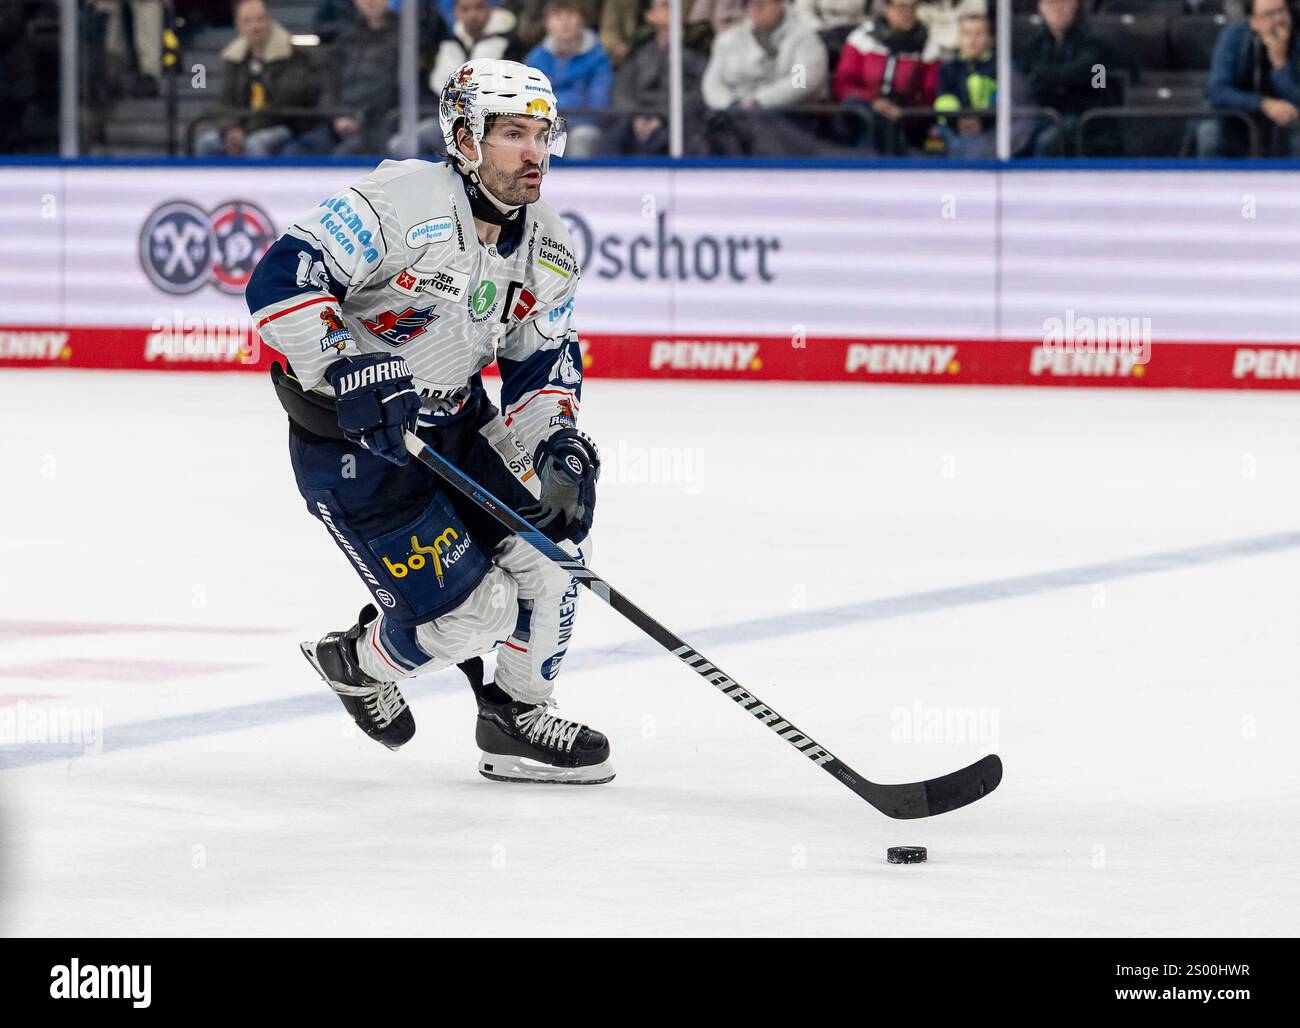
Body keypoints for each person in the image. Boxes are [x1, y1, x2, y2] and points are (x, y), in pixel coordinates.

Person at [246, 58, 610, 784]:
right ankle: (355, 662)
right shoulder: (403, 200)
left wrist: (560, 449)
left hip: (456, 423)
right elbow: (280, 277)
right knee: (475, 616)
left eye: (542, 134)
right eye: (512, 133)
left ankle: (515, 716)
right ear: (465, 137)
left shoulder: (551, 243)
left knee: (555, 552)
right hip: (354, 447)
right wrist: (346, 360)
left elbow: (538, 367)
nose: (534, 153)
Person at [394, 0, 526, 155]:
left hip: (490, 123)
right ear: (456, 12)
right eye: (466, 9)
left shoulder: (511, 44)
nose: (473, 14)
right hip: (446, 121)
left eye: (479, 7)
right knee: (400, 144)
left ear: (490, 9)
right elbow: (435, 85)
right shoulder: (446, 42)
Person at [701, 0, 828, 155]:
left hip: (786, 117)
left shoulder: (803, 39)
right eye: (749, 5)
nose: (754, 10)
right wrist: (731, 104)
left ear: (779, 4)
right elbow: (712, 82)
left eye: (761, 5)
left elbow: (799, 83)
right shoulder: (729, 40)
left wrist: (757, 102)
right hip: (731, 115)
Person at [194, 0, 319, 158]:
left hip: (283, 125)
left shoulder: (293, 55)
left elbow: (287, 102)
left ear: (270, 21)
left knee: (255, 144)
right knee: (206, 144)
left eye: (259, 19)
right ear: (238, 26)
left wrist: (245, 131)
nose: (255, 27)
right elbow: (226, 102)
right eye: (247, 21)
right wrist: (230, 129)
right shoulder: (233, 58)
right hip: (242, 127)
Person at [282, 0, 399, 155]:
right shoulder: (347, 40)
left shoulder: (405, 39)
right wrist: (337, 116)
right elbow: (329, 83)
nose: (370, 2)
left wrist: (358, 118)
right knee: (294, 152)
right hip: (337, 124)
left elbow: (393, 87)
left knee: (342, 156)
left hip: (378, 126)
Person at [834, 0, 942, 154]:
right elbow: (843, 86)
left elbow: (931, 97)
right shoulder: (861, 39)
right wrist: (874, 101)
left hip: (906, 122)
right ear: (886, 8)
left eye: (913, 7)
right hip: (865, 112)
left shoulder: (928, 48)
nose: (908, 13)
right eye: (901, 7)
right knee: (855, 106)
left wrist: (903, 113)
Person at [1199, 0, 1300, 157]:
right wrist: (1263, 104)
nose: (1278, 19)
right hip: (1239, 115)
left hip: (1287, 120)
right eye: (1269, 14)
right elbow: (1217, 90)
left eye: (1281, 11)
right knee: (1209, 132)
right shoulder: (1235, 36)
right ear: (1254, 21)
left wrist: (1280, 64)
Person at [609, 0, 710, 154]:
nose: (672, 10)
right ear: (650, 16)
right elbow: (623, 91)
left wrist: (663, 117)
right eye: (665, 5)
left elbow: (701, 93)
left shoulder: (696, 51)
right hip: (638, 120)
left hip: (680, 123)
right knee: (614, 136)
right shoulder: (639, 54)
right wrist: (636, 117)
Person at [1014, 0, 1113, 156]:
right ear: (1041, 7)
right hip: (1042, 114)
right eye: (1051, 2)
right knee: (1013, 136)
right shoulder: (1033, 45)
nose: (1057, 8)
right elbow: (1024, 75)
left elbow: (1087, 75)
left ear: (1075, 4)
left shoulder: (1096, 42)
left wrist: (1040, 74)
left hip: (1083, 116)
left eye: (1063, 1)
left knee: (1048, 140)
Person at [524, 0, 613, 156]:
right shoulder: (536, 57)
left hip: (583, 125)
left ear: (583, 20)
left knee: (582, 137)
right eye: (557, 16)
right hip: (545, 125)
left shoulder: (598, 58)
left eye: (571, 15)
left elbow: (598, 103)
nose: (564, 22)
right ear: (547, 23)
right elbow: (526, 100)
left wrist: (561, 127)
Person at [933, 11, 995, 157]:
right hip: (953, 127)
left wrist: (982, 121)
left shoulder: (1000, 68)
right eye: (967, 33)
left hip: (990, 128)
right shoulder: (948, 68)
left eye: (978, 33)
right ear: (959, 38)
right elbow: (944, 100)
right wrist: (958, 119)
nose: (972, 40)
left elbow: (1001, 101)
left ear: (989, 38)